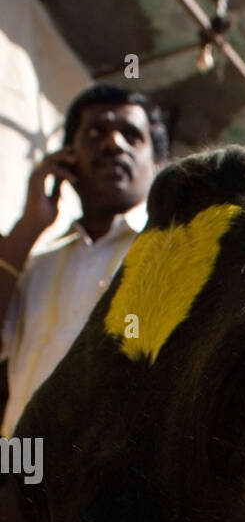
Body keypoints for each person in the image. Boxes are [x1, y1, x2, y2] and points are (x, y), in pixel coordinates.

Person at [0, 84, 168, 436]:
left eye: (131, 135)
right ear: (66, 157)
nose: (112, 144)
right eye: (95, 133)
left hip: (108, 483)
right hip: (17, 472)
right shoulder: (38, 264)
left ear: (158, 167)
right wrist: (29, 228)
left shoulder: (171, 258)